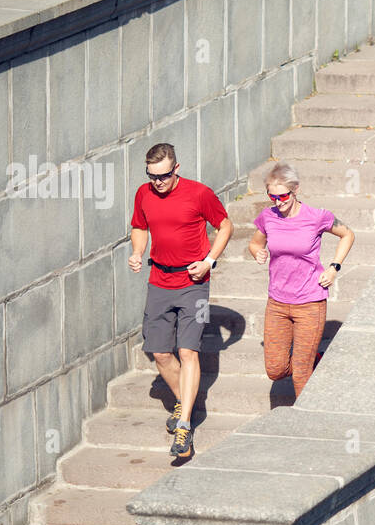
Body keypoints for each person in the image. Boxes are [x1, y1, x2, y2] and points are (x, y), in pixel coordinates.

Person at [128, 143, 233, 460]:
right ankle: (183, 399)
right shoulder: (143, 194)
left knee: (188, 350)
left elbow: (225, 225)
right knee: (160, 353)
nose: (157, 182)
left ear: (177, 169)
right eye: (152, 176)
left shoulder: (199, 194)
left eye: (163, 176)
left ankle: (185, 424)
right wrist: (137, 251)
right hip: (159, 280)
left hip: (193, 283)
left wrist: (209, 261)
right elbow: (139, 226)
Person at [247, 162, 354, 400]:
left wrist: (334, 268)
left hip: (309, 302)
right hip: (277, 302)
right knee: (275, 370)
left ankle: (304, 425)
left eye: (283, 195)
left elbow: (347, 234)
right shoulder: (268, 216)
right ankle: (315, 359)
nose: (278, 201)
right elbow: (255, 243)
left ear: (296, 190)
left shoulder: (316, 217)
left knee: (300, 373)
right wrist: (258, 252)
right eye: (272, 196)